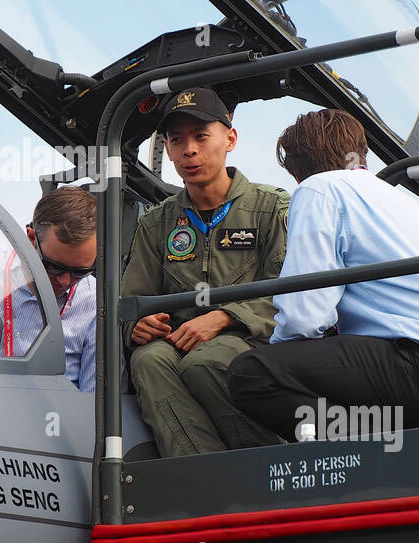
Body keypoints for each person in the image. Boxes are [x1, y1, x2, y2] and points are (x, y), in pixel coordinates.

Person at [226, 108, 419, 441]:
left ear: (298, 171)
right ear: (361, 155)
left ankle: (360, 448)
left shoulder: (320, 189)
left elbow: (305, 316)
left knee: (253, 376)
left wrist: (274, 352)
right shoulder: (404, 202)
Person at [121, 87, 291, 456]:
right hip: (180, 342)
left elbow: (288, 295)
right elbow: (132, 301)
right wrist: (136, 325)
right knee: (148, 359)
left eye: (201, 136)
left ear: (230, 139)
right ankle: (203, 476)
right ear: (166, 148)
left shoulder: (271, 208)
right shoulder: (157, 223)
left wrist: (224, 318)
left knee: (205, 363)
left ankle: (266, 463)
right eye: (176, 140)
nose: (189, 150)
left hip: (255, 339)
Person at [0, 186, 98, 392]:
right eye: (54, 267)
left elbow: (94, 408)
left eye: (80, 272)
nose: (66, 280)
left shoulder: (96, 302)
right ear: (31, 239)